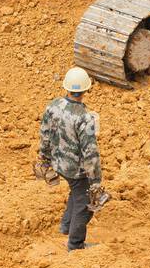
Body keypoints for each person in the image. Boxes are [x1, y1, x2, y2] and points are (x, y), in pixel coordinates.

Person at [38, 67, 103, 251]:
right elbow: (90, 153)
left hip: (58, 163)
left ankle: (66, 226)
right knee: (83, 203)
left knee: (76, 192)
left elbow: (44, 134)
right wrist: (96, 181)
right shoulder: (84, 118)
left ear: (66, 88)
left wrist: (44, 157)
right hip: (76, 170)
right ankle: (75, 244)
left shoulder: (52, 106)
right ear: (85, 90)